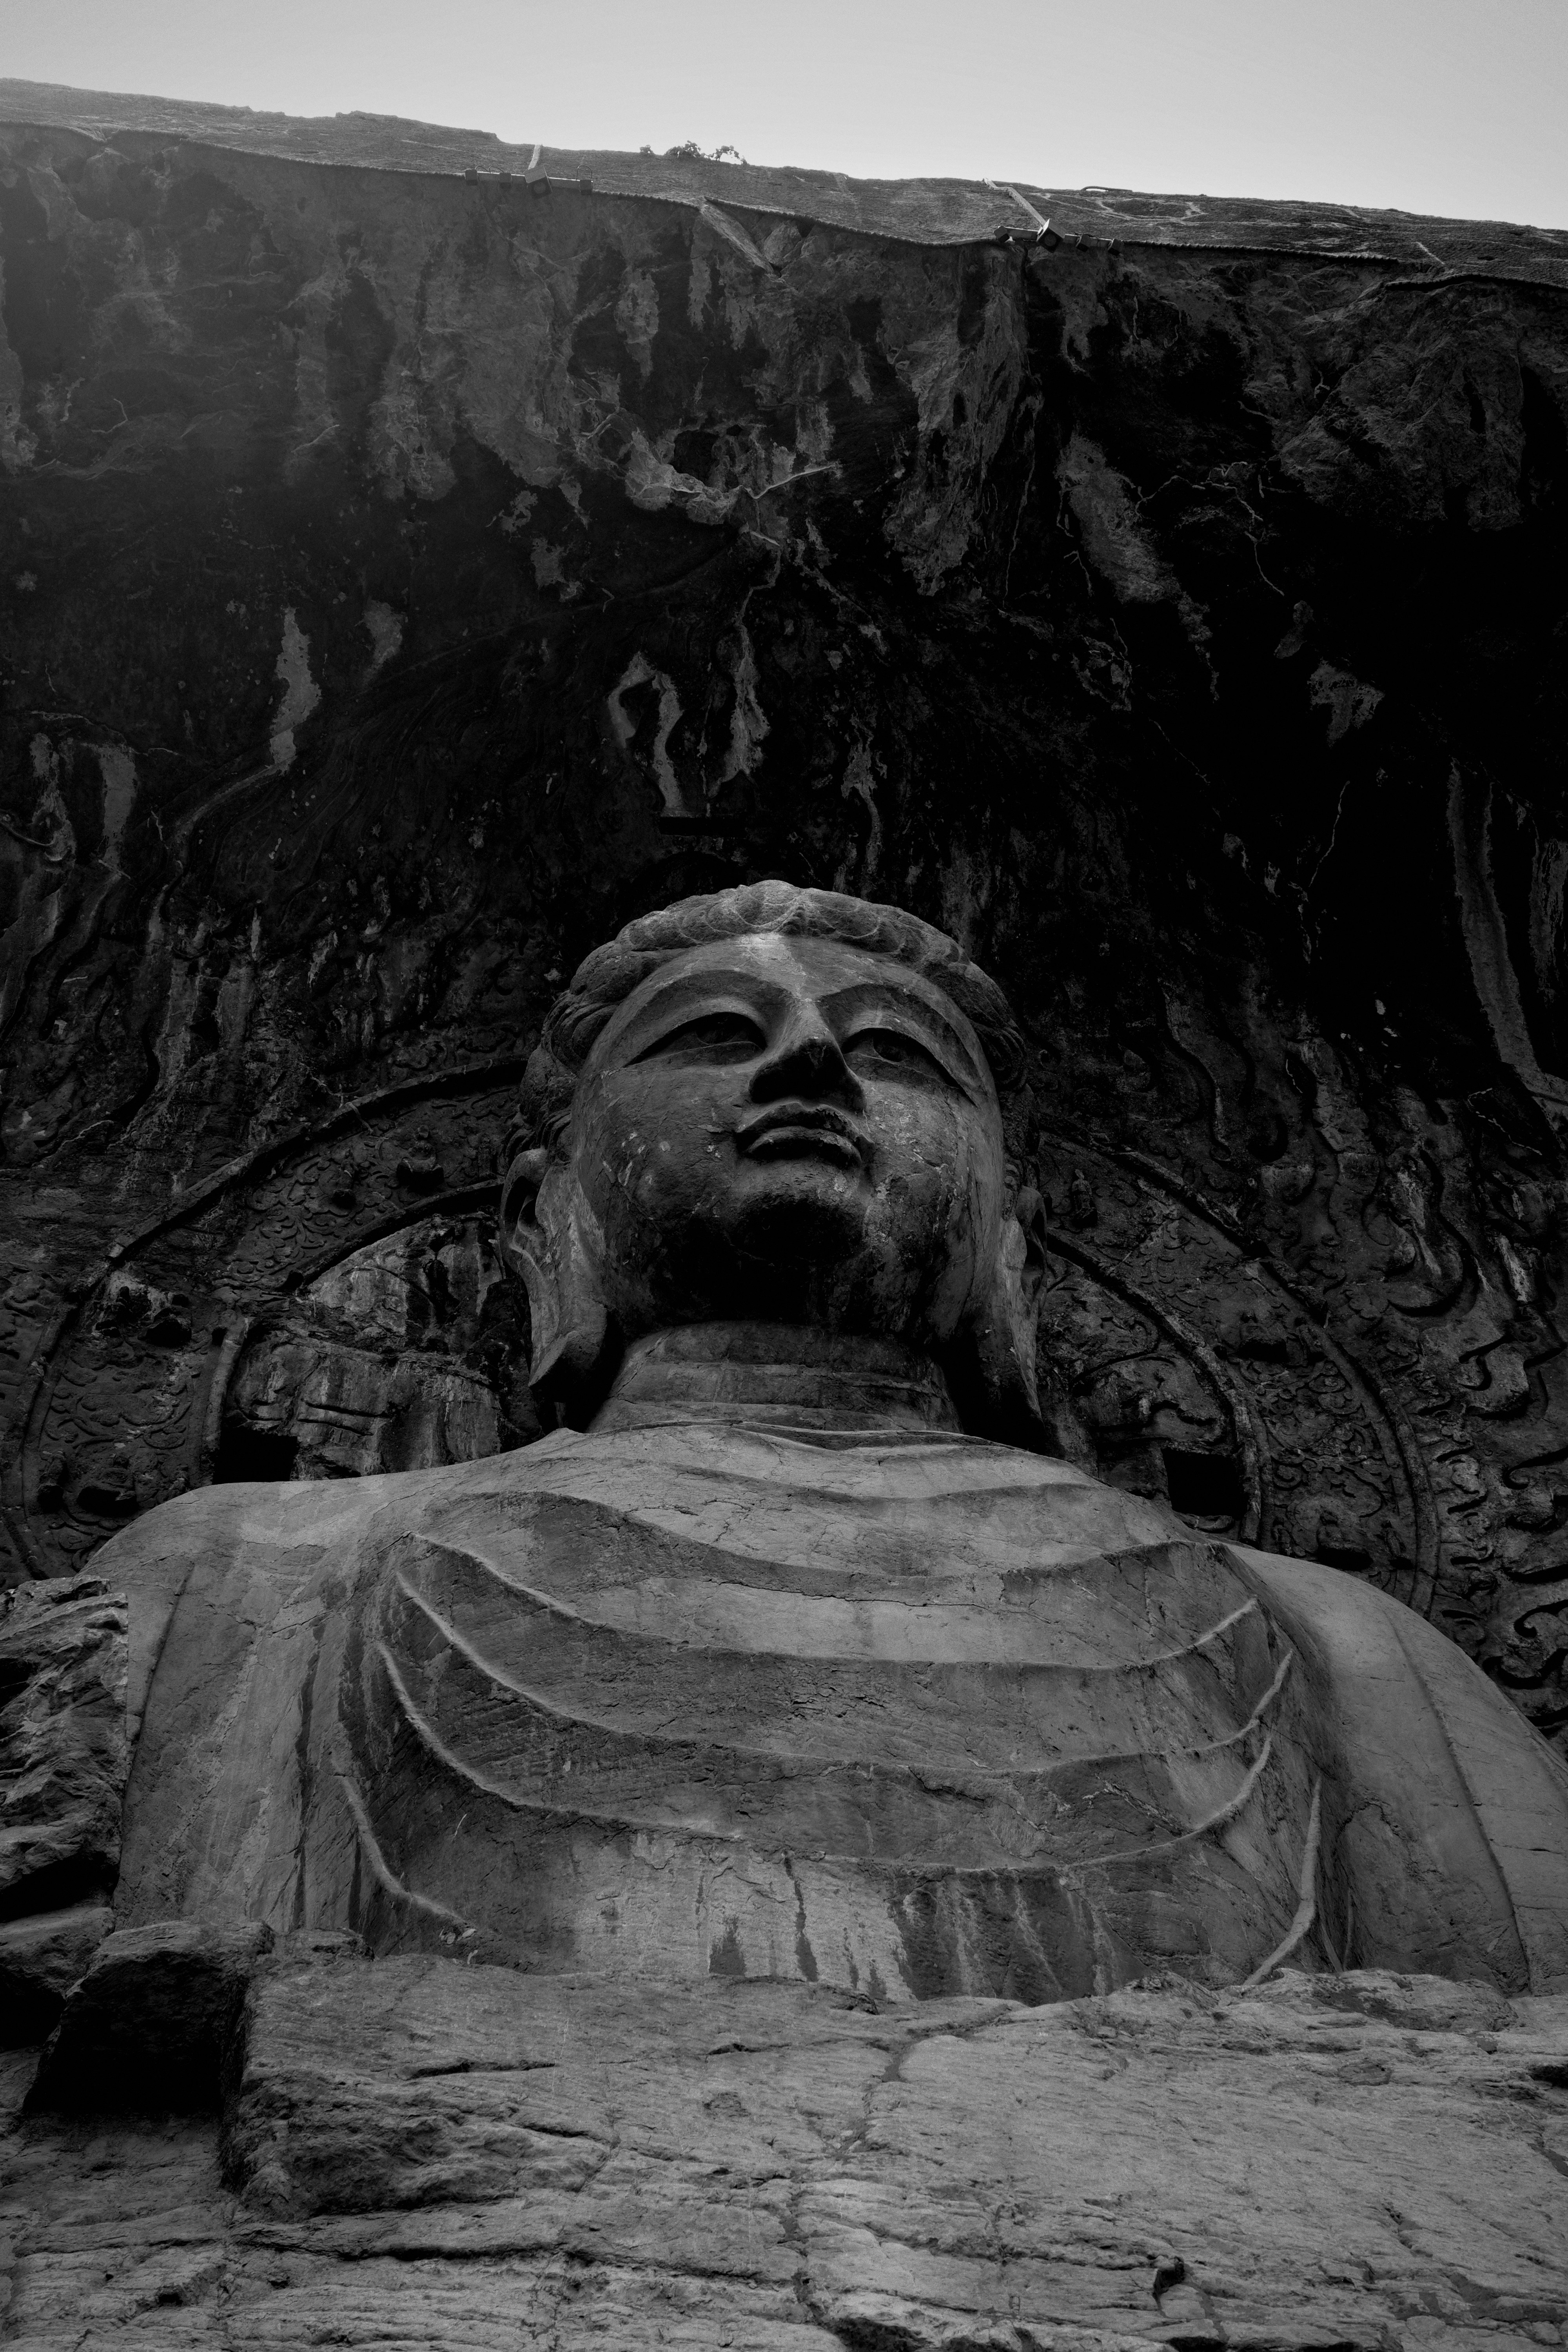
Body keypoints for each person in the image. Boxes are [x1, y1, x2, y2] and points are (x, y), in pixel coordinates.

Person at [102, 882, 1568, 2001]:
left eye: (897, 1055)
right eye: (712, 1039)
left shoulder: (1353, 1655)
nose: (811, 1060)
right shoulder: (240, 1574)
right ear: (539, 1212)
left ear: (1012, 1236)